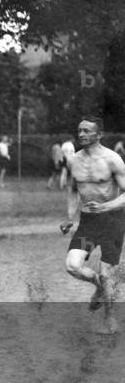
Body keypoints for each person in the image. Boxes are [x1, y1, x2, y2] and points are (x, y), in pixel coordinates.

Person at [60, 116, 125, 335]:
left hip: (112, 221)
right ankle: (98, 287)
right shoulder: (73, 160)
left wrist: (107, 207)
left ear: (99, 135)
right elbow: (72, 189)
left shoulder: (112, 159)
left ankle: (109, 317)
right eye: (79, 131)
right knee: (72, 265)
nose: (81, 135)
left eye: (87, 131)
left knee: (108, 273)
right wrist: (70, 217)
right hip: (88, 222)